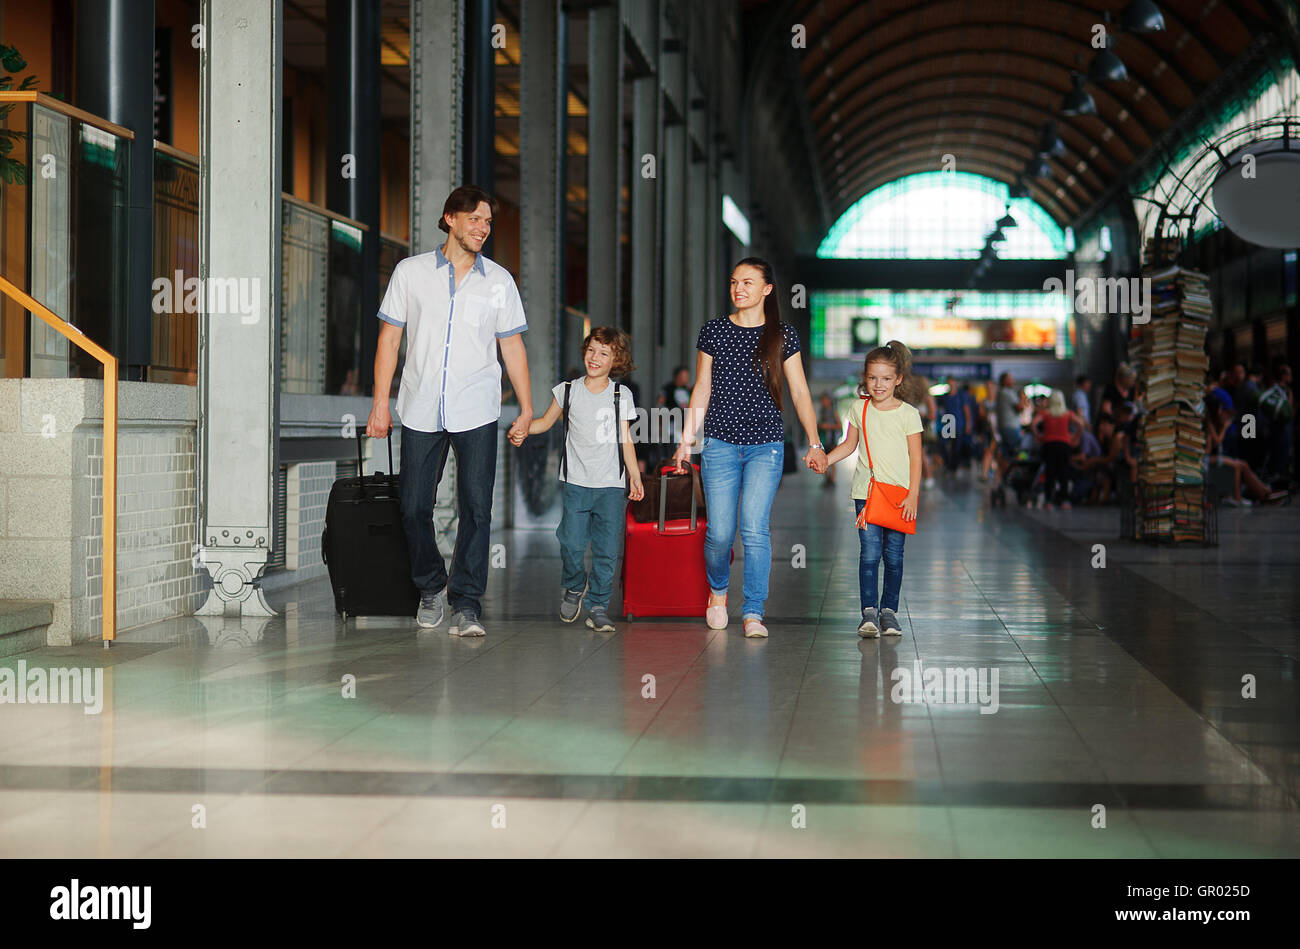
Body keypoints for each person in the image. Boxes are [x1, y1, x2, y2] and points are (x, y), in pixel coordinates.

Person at [367, 185, 533, 638]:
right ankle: (430, 585)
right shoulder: (410, 272)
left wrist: (526, 406)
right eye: (475, 219)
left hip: (477, 407)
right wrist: (381, 403)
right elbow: (389, 340)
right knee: (413, 505)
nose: (483, 228)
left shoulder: (499, 281)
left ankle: (466, 601)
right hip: (419, 405)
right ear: (451, 219)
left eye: (488, 222)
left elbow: (512, 346)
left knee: (477, 508)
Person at [671, 257, 823, 639]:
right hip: (720, 442)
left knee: (754, 529)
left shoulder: (783, 335)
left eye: (749, 282)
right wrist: (687, 439)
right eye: (735, 281)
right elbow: (701, 387)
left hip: (765, 446)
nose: (739, 289)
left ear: (767, 289)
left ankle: (754, 611)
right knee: (720, 533)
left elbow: (800, 390)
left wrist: (816, 441)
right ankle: (718, 591)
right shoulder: (715, 332)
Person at [514, 327, 645, 632]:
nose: (595, 357)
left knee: (606, 549)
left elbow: (625, 439)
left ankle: (597, 604)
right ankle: (574, 586)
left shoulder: (620, 394)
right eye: (591, 350)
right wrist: (523, 429)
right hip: (575, 482)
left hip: (611, 485)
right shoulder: (568, 390)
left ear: (616, 360)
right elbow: (545, 423)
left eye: (603, 353)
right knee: (571, 543)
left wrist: (635, 477)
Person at [815, 340, 923, 638]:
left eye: (886, 379)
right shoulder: (858, 408)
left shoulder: (908, 414)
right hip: (867, 494)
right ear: (865, 377)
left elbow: (917, 457)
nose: (879, 385)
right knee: (869, 554)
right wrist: (826, 459)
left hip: (900, 496)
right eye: (873, 378)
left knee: (895, 556)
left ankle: (889, 612)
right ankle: (869, 615)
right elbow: (849, 445)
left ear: (898, 379)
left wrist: (914, 494)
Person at [1031, 390, 1087, 509]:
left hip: (1049, 445)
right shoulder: (1067, 414)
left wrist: (1038, 436)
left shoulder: (1045, 414)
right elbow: (1081, 424)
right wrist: (1075, 438)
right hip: (1064, 445)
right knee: (1064, 472)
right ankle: (1064, 501)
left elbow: (1034, 423)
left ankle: (1048, 501)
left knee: (1050, 473)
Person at [995, 372, 1027, 469]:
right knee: (1018, 452)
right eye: (1010, 378)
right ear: (1005, 381)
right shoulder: (1007, 393)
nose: (1013, 380)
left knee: (1006, 453)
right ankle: (1018, 472)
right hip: (1011, 428)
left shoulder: (1000, 392)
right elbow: (1020, 407)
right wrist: (1023, 398)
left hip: (1004, 427)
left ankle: (1006, 476)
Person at [1097, 362, 1136, 427]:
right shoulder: (1111, 389)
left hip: (1125, 423)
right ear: (1125, 379)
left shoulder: (1131, 390)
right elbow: (1106, 409)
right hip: (1112, 424)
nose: (1133, 383)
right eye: (1132, 380)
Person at [817, 391, 841, 487]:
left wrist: (828, 426)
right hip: (824, 439)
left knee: (833, 460)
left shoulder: (833, 411)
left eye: (825, 400)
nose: (824, 402)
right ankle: (827, 479)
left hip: (832, 439)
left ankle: (833, 479)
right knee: (823, 458)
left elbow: (839, 426)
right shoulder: (822, 411)